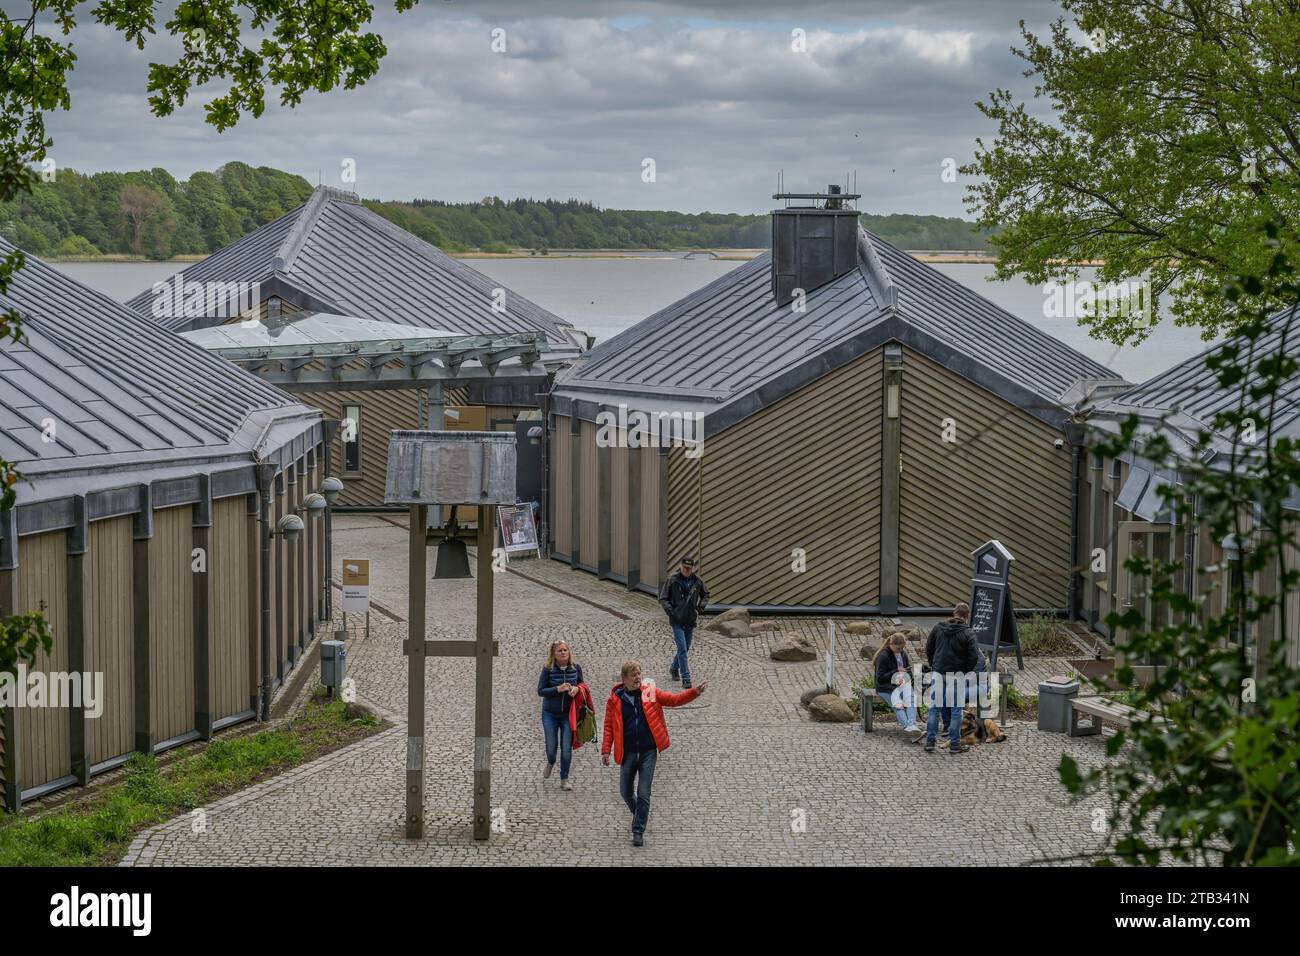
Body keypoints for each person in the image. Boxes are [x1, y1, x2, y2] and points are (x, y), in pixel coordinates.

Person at [601, 661, 706, 846]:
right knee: (625, 792)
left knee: (643, 793)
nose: (637, 678)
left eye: (639, 674)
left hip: (649, 751)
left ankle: (638, 829)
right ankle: (639, 814)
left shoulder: (649, 693)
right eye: (633, 675)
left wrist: (694, 692)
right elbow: (609, 726)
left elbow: (674, 700)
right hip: (628, 753)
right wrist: (605, 750)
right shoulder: (615, 700)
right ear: (624, 679)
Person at [923, 602, 981, 755]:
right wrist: (966, 670)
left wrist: (934, 665)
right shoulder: (968, 633)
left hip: (938, 672)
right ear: (967, 616)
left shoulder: (938, 628)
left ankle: (930, 741)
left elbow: (929, 648)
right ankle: (955, 744)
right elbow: (974, 656)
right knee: (956, 710)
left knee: (935, 707)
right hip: (957, 675)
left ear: (954, 613)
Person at [537, 640, 585, 790]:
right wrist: (557, 689)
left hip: (568, 715)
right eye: (560, 651)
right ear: (554, 654)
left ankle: (564, 778)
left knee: (566, 748)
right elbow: (540, 690)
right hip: (550, 713)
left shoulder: (576, 668)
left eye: (565, 650)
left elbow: (583, 685)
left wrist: (577, 689)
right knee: (552, 747)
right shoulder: (548, 669)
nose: (563, 653)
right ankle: (551, 761)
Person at [659, 556, 709, 688]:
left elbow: (706, 594)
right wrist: (671, 611)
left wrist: (700, 607)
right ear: (681, 566)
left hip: (690, 620)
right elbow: (663, 598)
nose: (687, 570)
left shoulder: (697, 581)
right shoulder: (672, 580)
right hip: (676, 621)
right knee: (682, 648)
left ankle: (674, 667)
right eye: (685, 568)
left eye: (689, 568)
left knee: (685, 648)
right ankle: (686, 677)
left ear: (692, 569)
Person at [873, 631, 923, 738]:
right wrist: (896, 671)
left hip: (901, 685)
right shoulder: (883, 656)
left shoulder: (903, 654)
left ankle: (912, 727)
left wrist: (907, 673)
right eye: (898, 648)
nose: (900, 651)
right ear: (891, 645)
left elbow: (908, 670)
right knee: (899, 706)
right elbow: (880, 678)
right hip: (886, 688)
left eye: (902, 648)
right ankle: (910, 729)